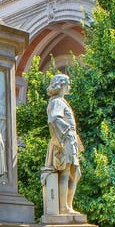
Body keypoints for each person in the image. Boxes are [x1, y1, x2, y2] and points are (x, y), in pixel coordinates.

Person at [42, 73, 83, 215]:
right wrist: (66, 134)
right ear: (61, 85)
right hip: (66, 140)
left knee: (75, 173)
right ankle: (64, 207)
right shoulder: (57, 102)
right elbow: (53, 118)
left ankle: (68, 205)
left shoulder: (60, 101)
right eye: (68, 83)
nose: (69, 86)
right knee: (65, 172)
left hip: (70, 140)